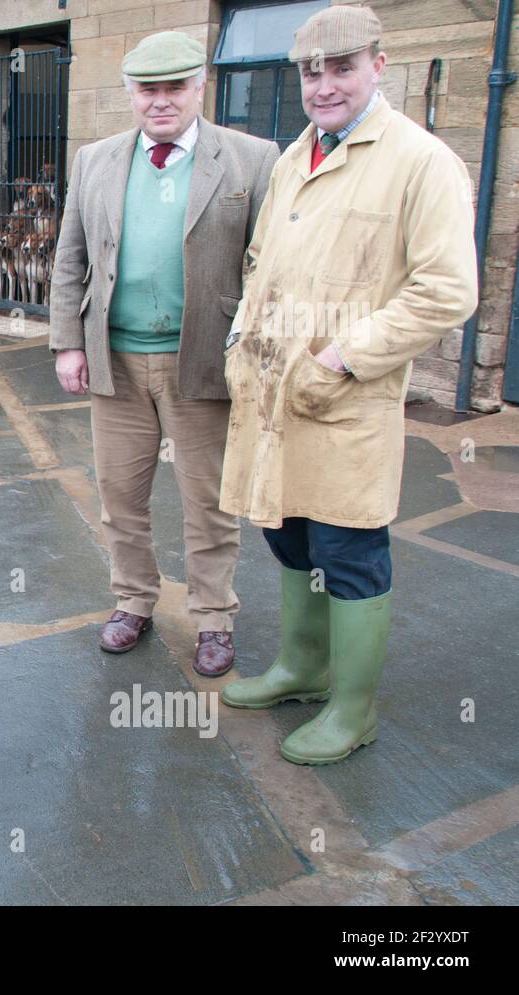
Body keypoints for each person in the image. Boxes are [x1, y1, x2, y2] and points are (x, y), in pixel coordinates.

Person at [218, 5, 478, 764]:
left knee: (350, 549)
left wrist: (343, 357)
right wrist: (242, 344)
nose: (324, 84)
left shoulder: (421, 161)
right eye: (311, 71)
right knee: (288, 533)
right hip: (273, 395)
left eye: (341, 68)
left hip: (345, 398)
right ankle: (304, 666)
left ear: (378, 65)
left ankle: (353, 710)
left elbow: (445, 289)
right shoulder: (298, 153)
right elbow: (264, 261)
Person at [49, 31, 279, 675]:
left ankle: (213, 617)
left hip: (202, 360)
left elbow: (268, 266)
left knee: (209, 500)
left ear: (199, 86)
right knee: (120, 497)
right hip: (115, 361)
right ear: (130, 94)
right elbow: (70, 257)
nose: (161, 101)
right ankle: (133, 600)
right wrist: (68, 341)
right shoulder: (94, 159)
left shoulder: (252, 159)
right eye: (148, 89)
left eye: (174, 87)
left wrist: (252, 347)